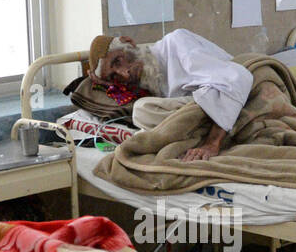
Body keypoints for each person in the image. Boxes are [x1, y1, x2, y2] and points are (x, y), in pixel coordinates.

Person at [90, 29, 254, 162]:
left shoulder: (177, 43)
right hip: (204, 116)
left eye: (118, 61)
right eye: (114, 76)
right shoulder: (147, 81)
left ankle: (209, 136)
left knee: (142, 110)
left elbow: (236, 78)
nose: (124, 74)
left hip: (233, 100)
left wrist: (212, 144)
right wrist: (105, 83)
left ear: (128, 42)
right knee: (140, 116)